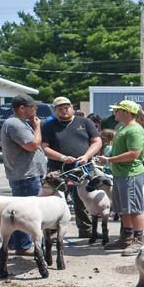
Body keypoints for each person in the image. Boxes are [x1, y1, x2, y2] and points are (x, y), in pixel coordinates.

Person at [40, 96, 103, 238]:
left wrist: (86, 156)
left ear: (72, 107)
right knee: (55, 200)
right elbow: (44, 147)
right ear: (55, 110)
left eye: (67, 107)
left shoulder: (85, 122)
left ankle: (86, 229)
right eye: (60, 108)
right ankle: (52, 232)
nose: (64, 110)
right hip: (57, 169)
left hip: (82, 168)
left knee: (83, 199)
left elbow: (97, 141)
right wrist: (62, 157)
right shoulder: (48, 126)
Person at [0, 94, 47, 254]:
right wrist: (37, 127)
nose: (35, 109)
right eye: (33, 107)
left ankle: (16, 242)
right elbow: (33, 145)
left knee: (23, 210)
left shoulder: (21, 123)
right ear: (22, 108)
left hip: (29, 175)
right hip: (26, 176)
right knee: (26, 213)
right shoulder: (15, 124)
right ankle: (23, 246)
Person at [104, 100, 144, 252]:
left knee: (135, 208)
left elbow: (133, 154)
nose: (114, 112)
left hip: (131, 174)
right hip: (121, 173)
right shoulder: (123, 127)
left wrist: (110, 159)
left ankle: (138, 239)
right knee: (124, 208)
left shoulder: (134, 130)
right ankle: (127, 237)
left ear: (127, 112)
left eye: (117, 110)